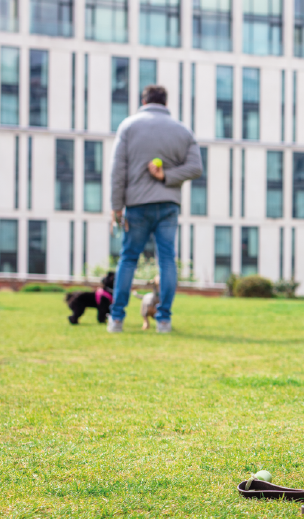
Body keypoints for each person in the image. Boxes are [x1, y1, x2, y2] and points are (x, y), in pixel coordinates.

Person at [107, 85, 203, 334]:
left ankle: (116, 319)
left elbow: (118, 171)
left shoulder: (128, 126)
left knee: (128, 259)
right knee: (167, 260)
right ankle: (163, 321)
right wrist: (167, 176)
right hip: (168, 205)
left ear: (143, 100)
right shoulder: (182, 130)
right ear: (165, 101)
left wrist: (116, 207)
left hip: (137, 205)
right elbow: (196, 167)